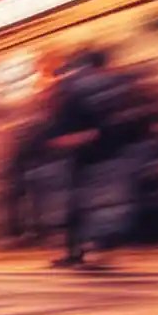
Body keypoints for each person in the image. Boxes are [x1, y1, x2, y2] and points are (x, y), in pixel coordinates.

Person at [45, 49, 113, 267]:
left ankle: (78, 251)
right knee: (92, 202)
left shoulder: (73, 91)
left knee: (78, 204)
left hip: (82, 153)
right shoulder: (104, 85)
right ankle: (88, 248)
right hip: (101, 151)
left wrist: (64, 139)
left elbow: (62, 126)